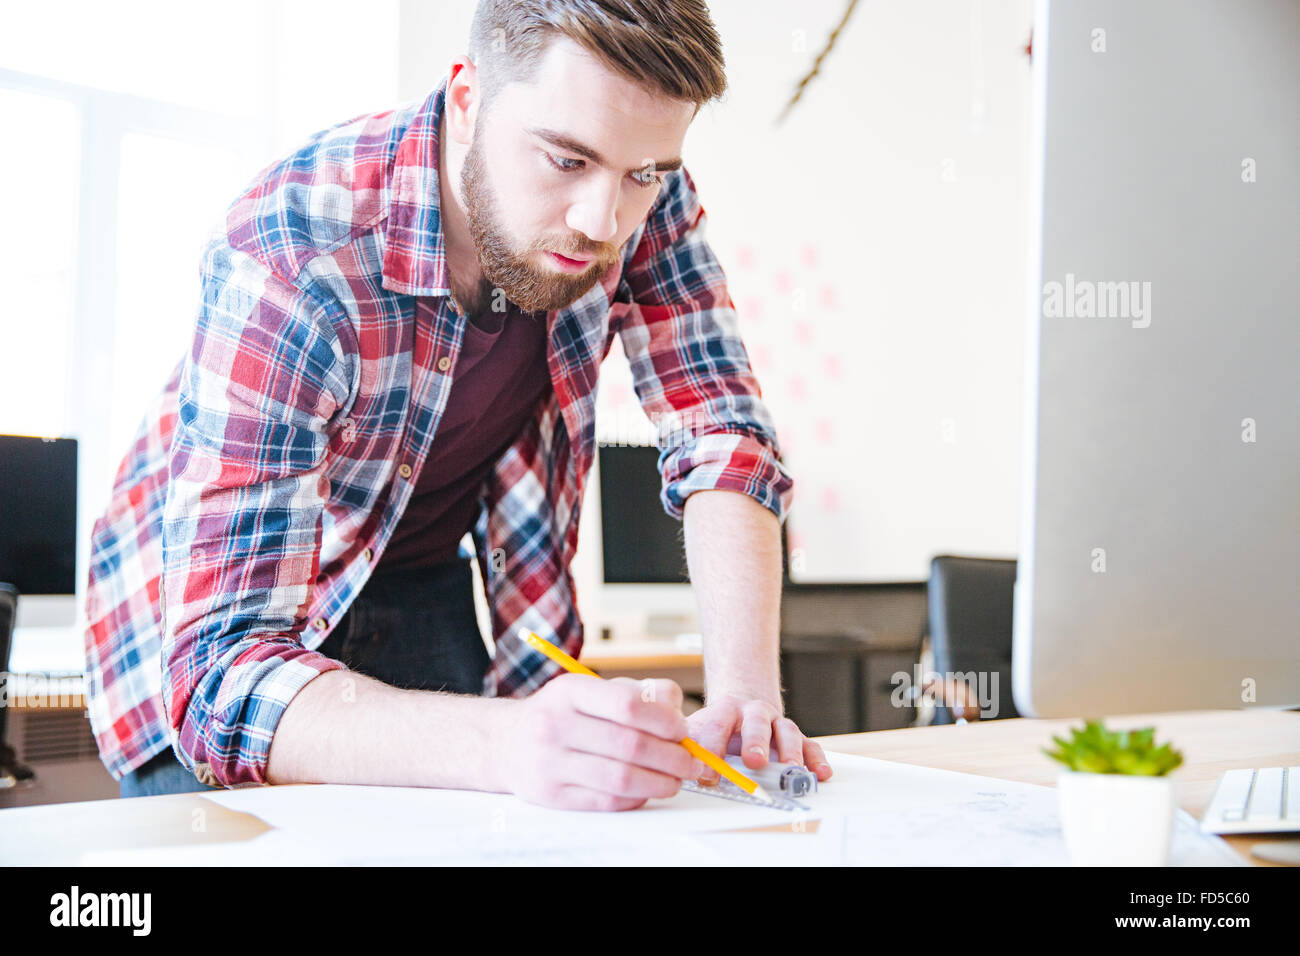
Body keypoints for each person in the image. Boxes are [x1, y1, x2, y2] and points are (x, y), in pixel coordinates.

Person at [84, 0, 833, 810]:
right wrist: (507, 737)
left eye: (643, 174)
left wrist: (748, 699)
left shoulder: (634, 190)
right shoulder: (294, 250)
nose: (602, 221)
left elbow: (721, 429)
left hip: (417, 577)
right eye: (564, 161)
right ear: (468, 100)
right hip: (211, 614)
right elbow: (220, 682)